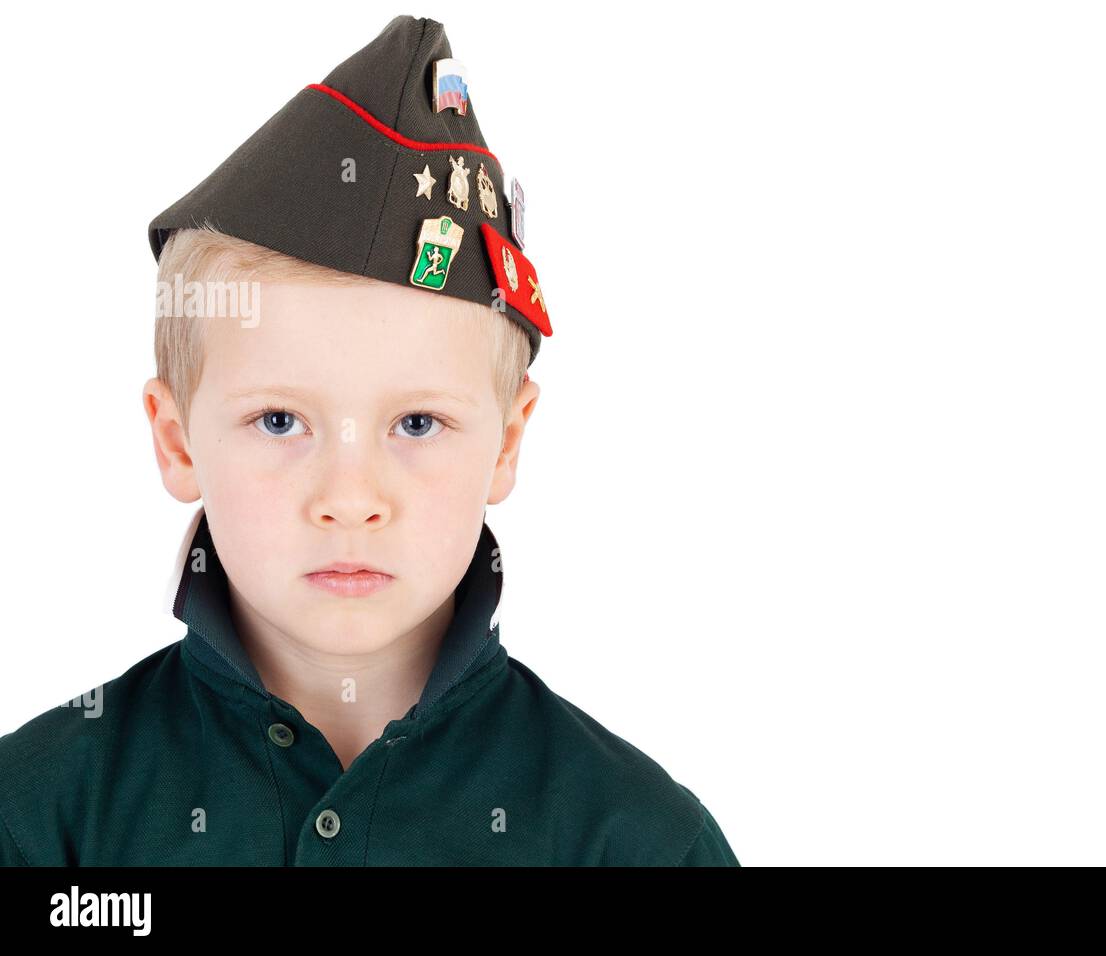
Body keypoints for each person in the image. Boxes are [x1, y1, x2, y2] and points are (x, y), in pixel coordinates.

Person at [0, 14, 739, 866]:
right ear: (175, 441)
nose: (350, 498)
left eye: (417, 423)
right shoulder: (40, 823)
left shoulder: (633, 843)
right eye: (280, 421)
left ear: (506, 445)